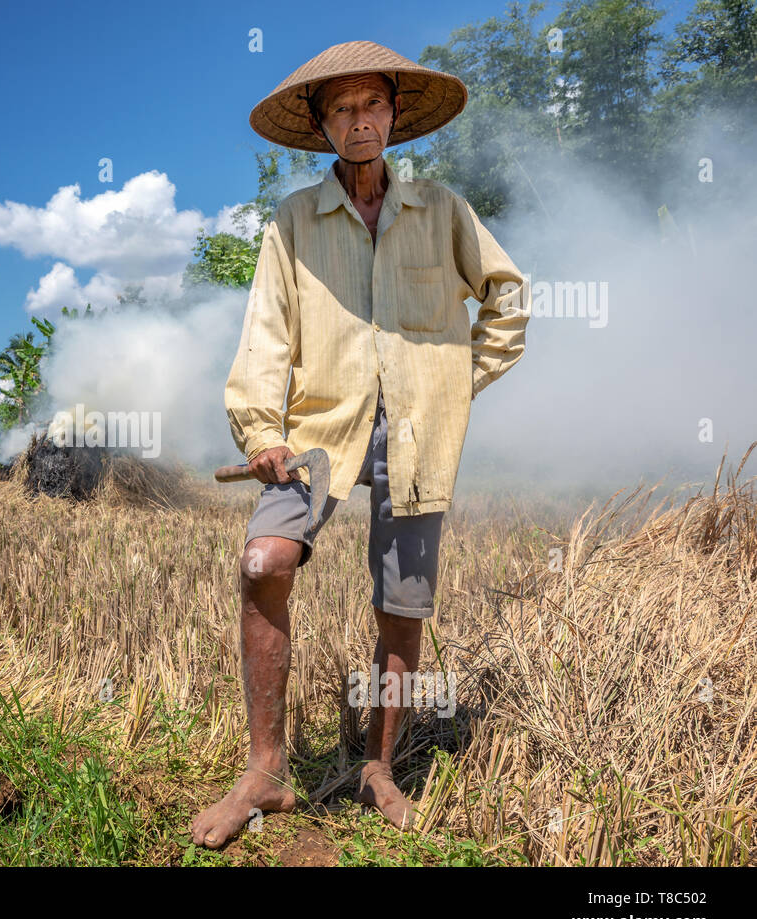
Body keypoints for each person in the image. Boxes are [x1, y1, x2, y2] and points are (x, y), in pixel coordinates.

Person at [192, 40, 530, 849]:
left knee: (401, 603)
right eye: (340, 108)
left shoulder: (442, 211)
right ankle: (267, 771)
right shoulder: (294, 221)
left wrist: (452, 383)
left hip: (417, 431)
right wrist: (262, 432)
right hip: (316, 431)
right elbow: (267, 333)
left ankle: (381, 767)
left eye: (371, 104)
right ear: (321, 123)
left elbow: (508, 300)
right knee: (262, 563)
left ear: (394, 116)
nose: (358, 121)